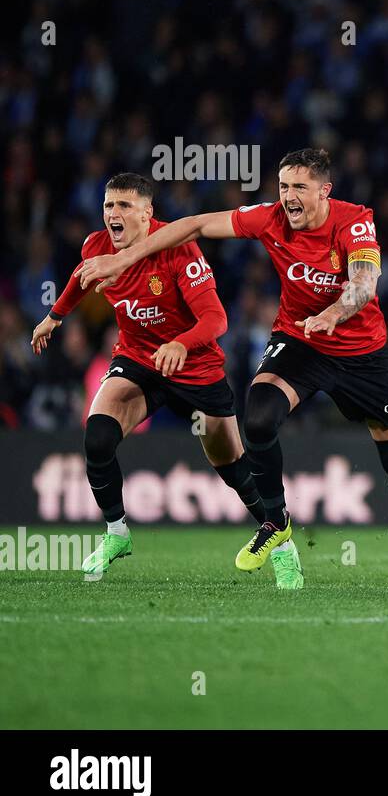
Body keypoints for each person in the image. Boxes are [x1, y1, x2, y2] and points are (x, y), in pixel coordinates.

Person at [76, 150, 388, 591]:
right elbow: (194, 225)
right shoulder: (268, 219)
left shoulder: (355, 221)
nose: (288, 197)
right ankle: (276, 523)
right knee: (259, 417)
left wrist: (335, 313)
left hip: (362, 353)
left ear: (325, 191)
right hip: (300, 340)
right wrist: (123, 259)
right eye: (283, 187)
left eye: (299, 188)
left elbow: (363, 284)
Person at [31, 173, 290, 585]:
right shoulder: (96, 245)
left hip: (195, 366)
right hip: (137, 360)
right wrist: (54, 317)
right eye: (108, 205)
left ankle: (282, 544)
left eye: (124, 206)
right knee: (97, 437)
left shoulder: (178, 248)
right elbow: (84, 277)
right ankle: (117, 532)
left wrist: (182, 344)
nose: (113, 214)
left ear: (147, 213)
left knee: (233, 468)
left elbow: (216, 318)